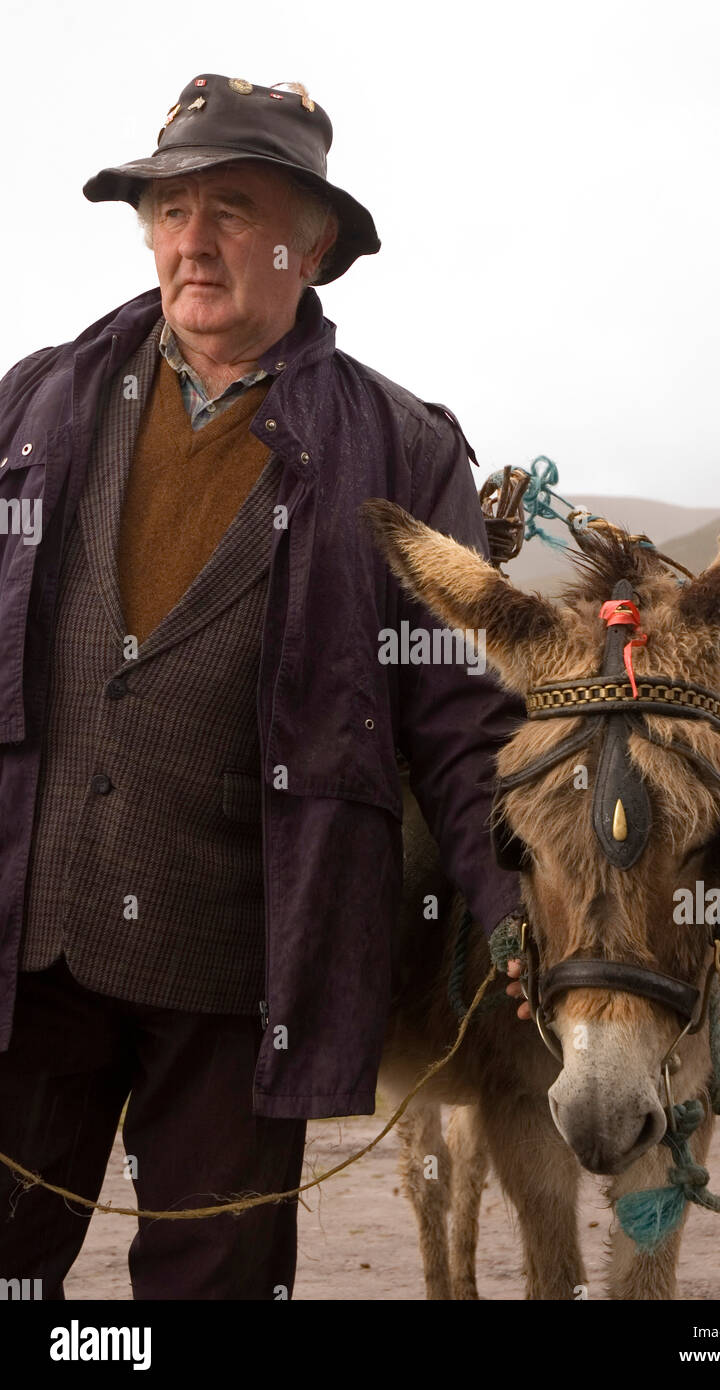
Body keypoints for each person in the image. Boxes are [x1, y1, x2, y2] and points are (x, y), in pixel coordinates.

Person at [0, 73, 525, 1300]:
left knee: (213, 1287)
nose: (191, 240)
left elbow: (458, 715)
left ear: (314, 240)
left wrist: (510, 901)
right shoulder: (33, 405)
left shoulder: (404, 448)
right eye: (169, 206)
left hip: (246, 969)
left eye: (231, 207)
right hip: (35, 946)